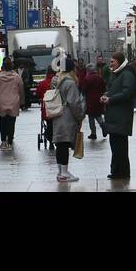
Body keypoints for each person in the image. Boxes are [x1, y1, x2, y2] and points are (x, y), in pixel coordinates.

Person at [101, 52, 136, 181]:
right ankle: (116, 171)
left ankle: (122, 172)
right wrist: (106, 95)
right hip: (114, 116)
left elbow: (126, 93)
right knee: (115, 146)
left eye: (112, 61)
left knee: (120, 146)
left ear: (120, 62)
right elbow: (112, 89)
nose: (110, 64)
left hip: (121, 116)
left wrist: (110, 99)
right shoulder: (115, 74)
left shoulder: (126, 74)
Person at [53, 54, 86, 184]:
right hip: (67, 116)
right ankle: (65, 173)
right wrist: (80, 116)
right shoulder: (70, 83)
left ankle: (61, 172)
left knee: (60, 144)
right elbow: (74, 103)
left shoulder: (56, 81)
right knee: (64, 144)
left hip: (56, 114)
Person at [0, 56, 25, 150]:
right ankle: (10, 142)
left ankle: (3, 141)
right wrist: (22, 102)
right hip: (14, 102)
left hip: (1, 102)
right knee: (11, 122)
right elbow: (21, 89)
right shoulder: (17, 77)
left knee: (2, 122)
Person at [82, 63, 108, 139]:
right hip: (99, 99)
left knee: (91, 117)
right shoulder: (99, 77)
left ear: (88, 70)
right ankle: (103, 125)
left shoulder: (87, 78)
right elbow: (104, 88)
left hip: (90, 100)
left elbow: (84, 89)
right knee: (98, 114)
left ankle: (93, 133)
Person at [36, 68, 56, 152]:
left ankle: (50, 141)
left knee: (48, 123)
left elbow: (38, 93)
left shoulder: (42, 83)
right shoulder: (58, 82)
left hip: (47, 109)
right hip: (56, 108)